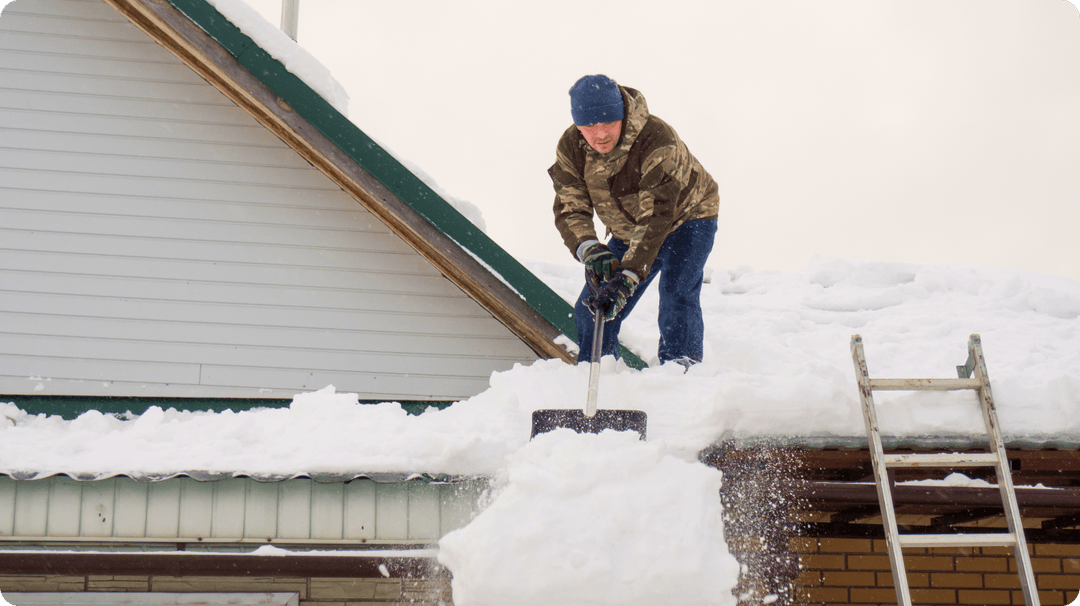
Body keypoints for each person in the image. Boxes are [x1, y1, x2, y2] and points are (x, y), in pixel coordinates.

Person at [549, 74, 719, 367]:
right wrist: (591, 249)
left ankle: (681, 374)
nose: (600, 134)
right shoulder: (571, 147)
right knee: (595, 307)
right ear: (578, 124)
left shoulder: (656, 139)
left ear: (623, 115)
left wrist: (627, 277)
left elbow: (656, 215)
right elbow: (570, 206)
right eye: (589, 126)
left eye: (608, 123)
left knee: (676, 294)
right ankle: (600, 377)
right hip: (629, 229)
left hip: (687, 218)